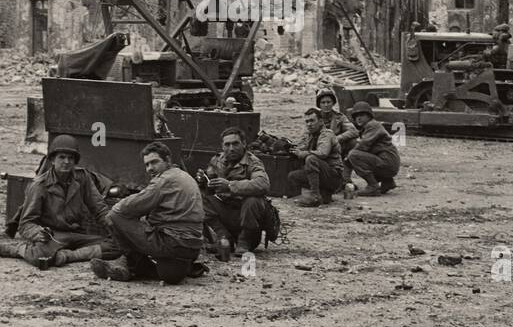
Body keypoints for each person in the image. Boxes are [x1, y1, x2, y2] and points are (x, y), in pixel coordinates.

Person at [0, 134, 112, 270]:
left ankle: (68, 256)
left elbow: (100, 209)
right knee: (41, 258)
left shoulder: (83, 178)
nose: (66, 162)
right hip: (52, 236)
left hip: (77, 234)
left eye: (71, 158)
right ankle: (14, 248)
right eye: (61, 157)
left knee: (117, 247)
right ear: (52, 159)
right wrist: (39, 233)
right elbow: (26, 223)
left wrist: (114, 228)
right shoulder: (39, 185)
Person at [93, 142, 206, 284]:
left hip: (173, 243)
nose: (150, 168)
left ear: (168, 160)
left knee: (115, 216)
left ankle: (134, 264)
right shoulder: (184, 176)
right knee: (169, 274)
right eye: (147, 165)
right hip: (192, 246)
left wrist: (115, 213)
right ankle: (138, 265)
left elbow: (127, 208)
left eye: (154, 162)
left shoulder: (164, 180)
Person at [201, 127, 275, 260]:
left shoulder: (253, 162)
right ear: (222, 146)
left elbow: (263, 184)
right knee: (200, 198)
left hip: (248, 221)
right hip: (228, 213)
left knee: (253, 200)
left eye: (235, 143)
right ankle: (224, 238)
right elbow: (210, 184)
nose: (231, 148)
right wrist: (203, 180)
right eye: (227, 144)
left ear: (244, 144)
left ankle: (244, 242)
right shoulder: (217, 160)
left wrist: (230, 185)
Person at [288, 108, 345, 206]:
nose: (309, 124)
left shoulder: (327, 134)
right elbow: (301, 145)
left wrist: (303, 153)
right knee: (293, 176)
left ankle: (315, 197)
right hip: (324, 174)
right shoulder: (310, 135)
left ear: (321, 121)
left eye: (312, 121)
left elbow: (323, 153)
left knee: (311, 159)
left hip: (334, 176)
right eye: (307, 121)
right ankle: (324, 194)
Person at [347, 101, 401, 196]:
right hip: (389, 162)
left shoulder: (372, 125)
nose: (358, 118)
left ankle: (373, 186)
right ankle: (387, 182)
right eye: (356, 116)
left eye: (362, 115)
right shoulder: (368, 127)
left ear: (369, 116)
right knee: (356, 154)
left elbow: (363, 145)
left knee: (353, 156)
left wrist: (347, 158)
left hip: (387, 162)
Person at [314, 88, 358, 195]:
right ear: (319, 104)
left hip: (335, 150)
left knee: (354, 143)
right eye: (323, 102)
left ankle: (345, 178)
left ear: (333, 103)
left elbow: (353, 131)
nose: (326, 105)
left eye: (328, 102)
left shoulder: (339, 117)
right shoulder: (314, 117)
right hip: (318, 149)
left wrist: (336, 139)